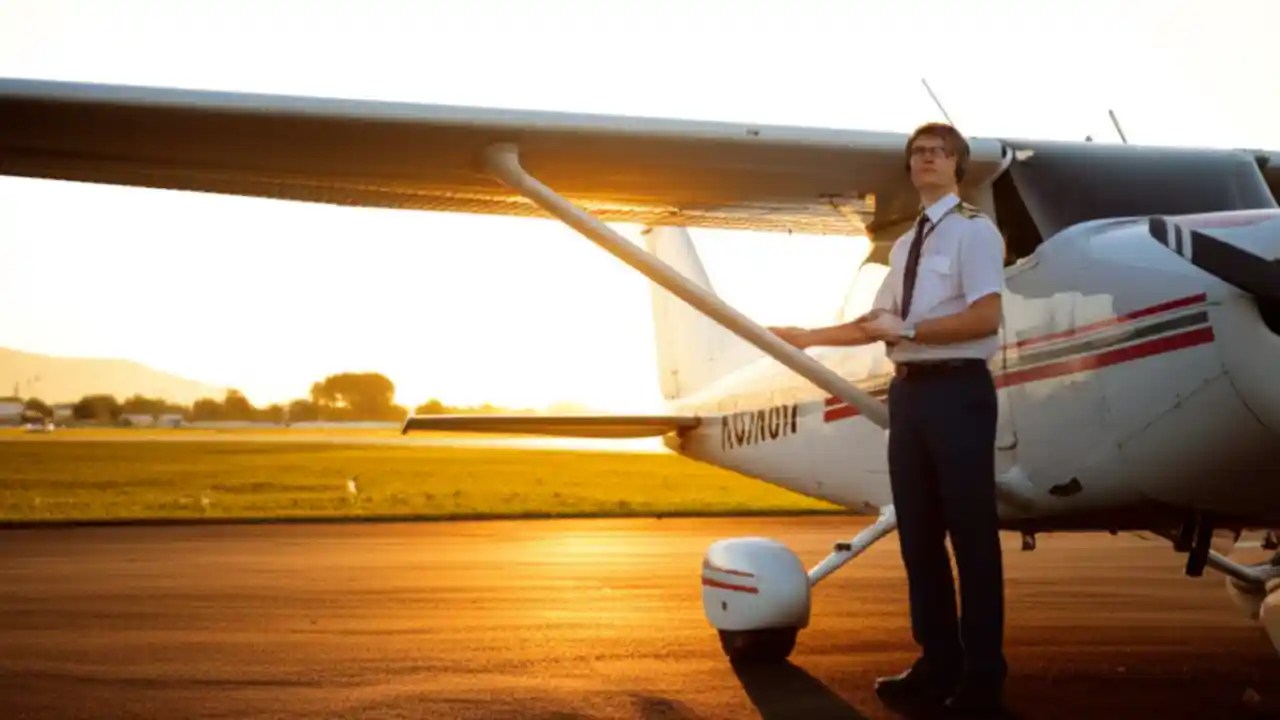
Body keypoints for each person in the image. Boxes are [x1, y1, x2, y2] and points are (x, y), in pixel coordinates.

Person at [769, 122, 1008, 714]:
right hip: (911, 396)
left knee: (972, 539)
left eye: (938, 152)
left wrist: (910, 330)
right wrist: (805, 337)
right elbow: (876, 323)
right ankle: (937, 663)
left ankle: (982, 676)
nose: (926, 160)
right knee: (920, 538)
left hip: (957, 392)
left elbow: (985, 319)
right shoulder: (904, 246)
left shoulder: (976, 234)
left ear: (958, 166)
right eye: (918, 153)